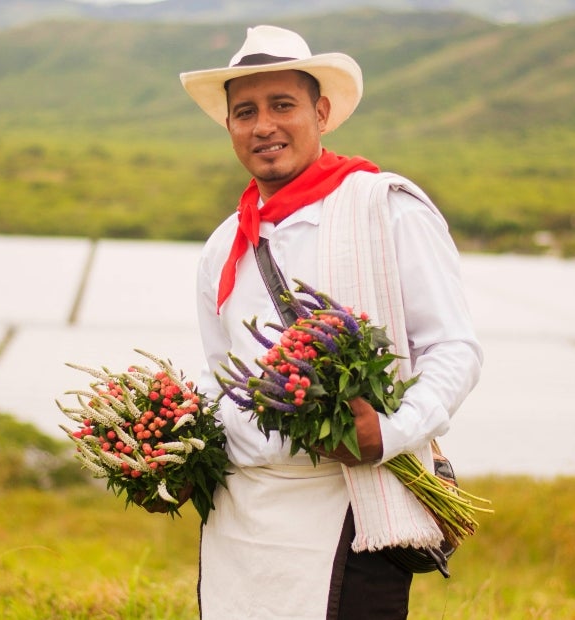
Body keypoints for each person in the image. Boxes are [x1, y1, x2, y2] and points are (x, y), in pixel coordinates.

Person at [178, 25, 483, 619]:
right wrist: (185, 453)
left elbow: (454, 350)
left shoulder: (386, 208)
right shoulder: (223, 245)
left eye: (282, 105)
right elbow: (223, 380)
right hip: (242, 518)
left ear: (321, 113)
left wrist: (387, 435)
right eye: (245, 112)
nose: (263, 124)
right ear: (230, 128)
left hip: (354, 509)